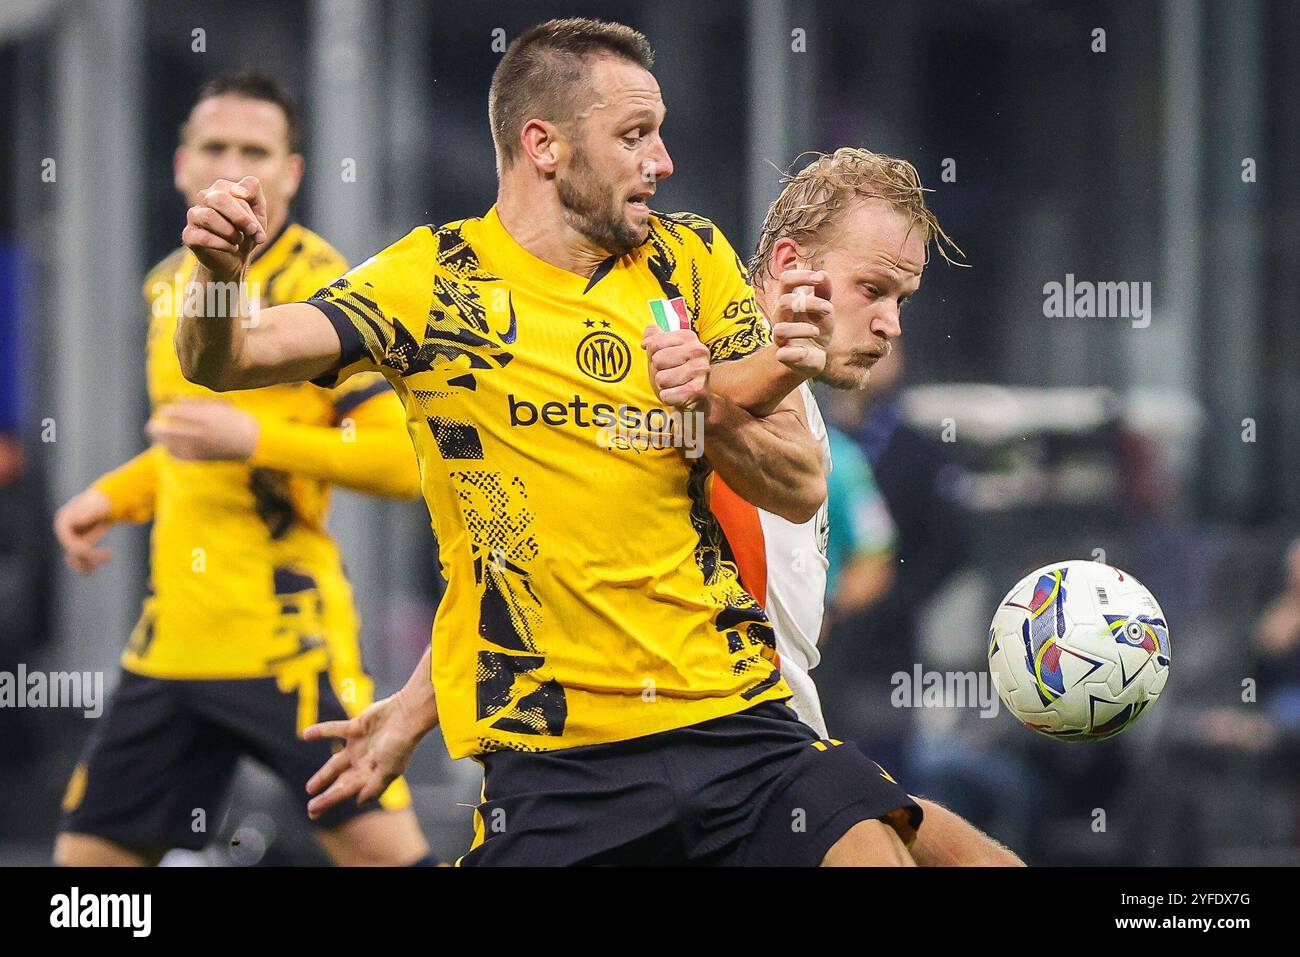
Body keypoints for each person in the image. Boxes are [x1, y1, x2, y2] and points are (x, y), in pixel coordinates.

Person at [178, 19, 926, 866]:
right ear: (544, 145)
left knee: (881, 852)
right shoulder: (429, 283)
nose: (663, 161)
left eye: (661, 133)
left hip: (736, 725)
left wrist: (702, 403)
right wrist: (218, 277)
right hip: (557, 763)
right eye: (635, 136)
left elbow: (798, 483)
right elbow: (229, 358)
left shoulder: (692, 261)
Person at [52, 74, 433, 867]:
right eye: (214, 148)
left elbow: (402, 459)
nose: (230, 165)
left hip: (285, 646)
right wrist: (110, 497)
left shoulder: (329, 291)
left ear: (290, 174)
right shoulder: (168, 284)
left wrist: (253, 441)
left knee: (387, 858)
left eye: (253, 151)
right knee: (87, 882)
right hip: (170, 646)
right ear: (182, 164)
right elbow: (187, 443)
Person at [711, 147, 1021, 864]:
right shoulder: (703, 377)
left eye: (901, 301)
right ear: (788, 263)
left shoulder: (812, 416)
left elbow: (877, 558)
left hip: (789, 737)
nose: (893, 325)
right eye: (872, 290)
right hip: (727, 755)